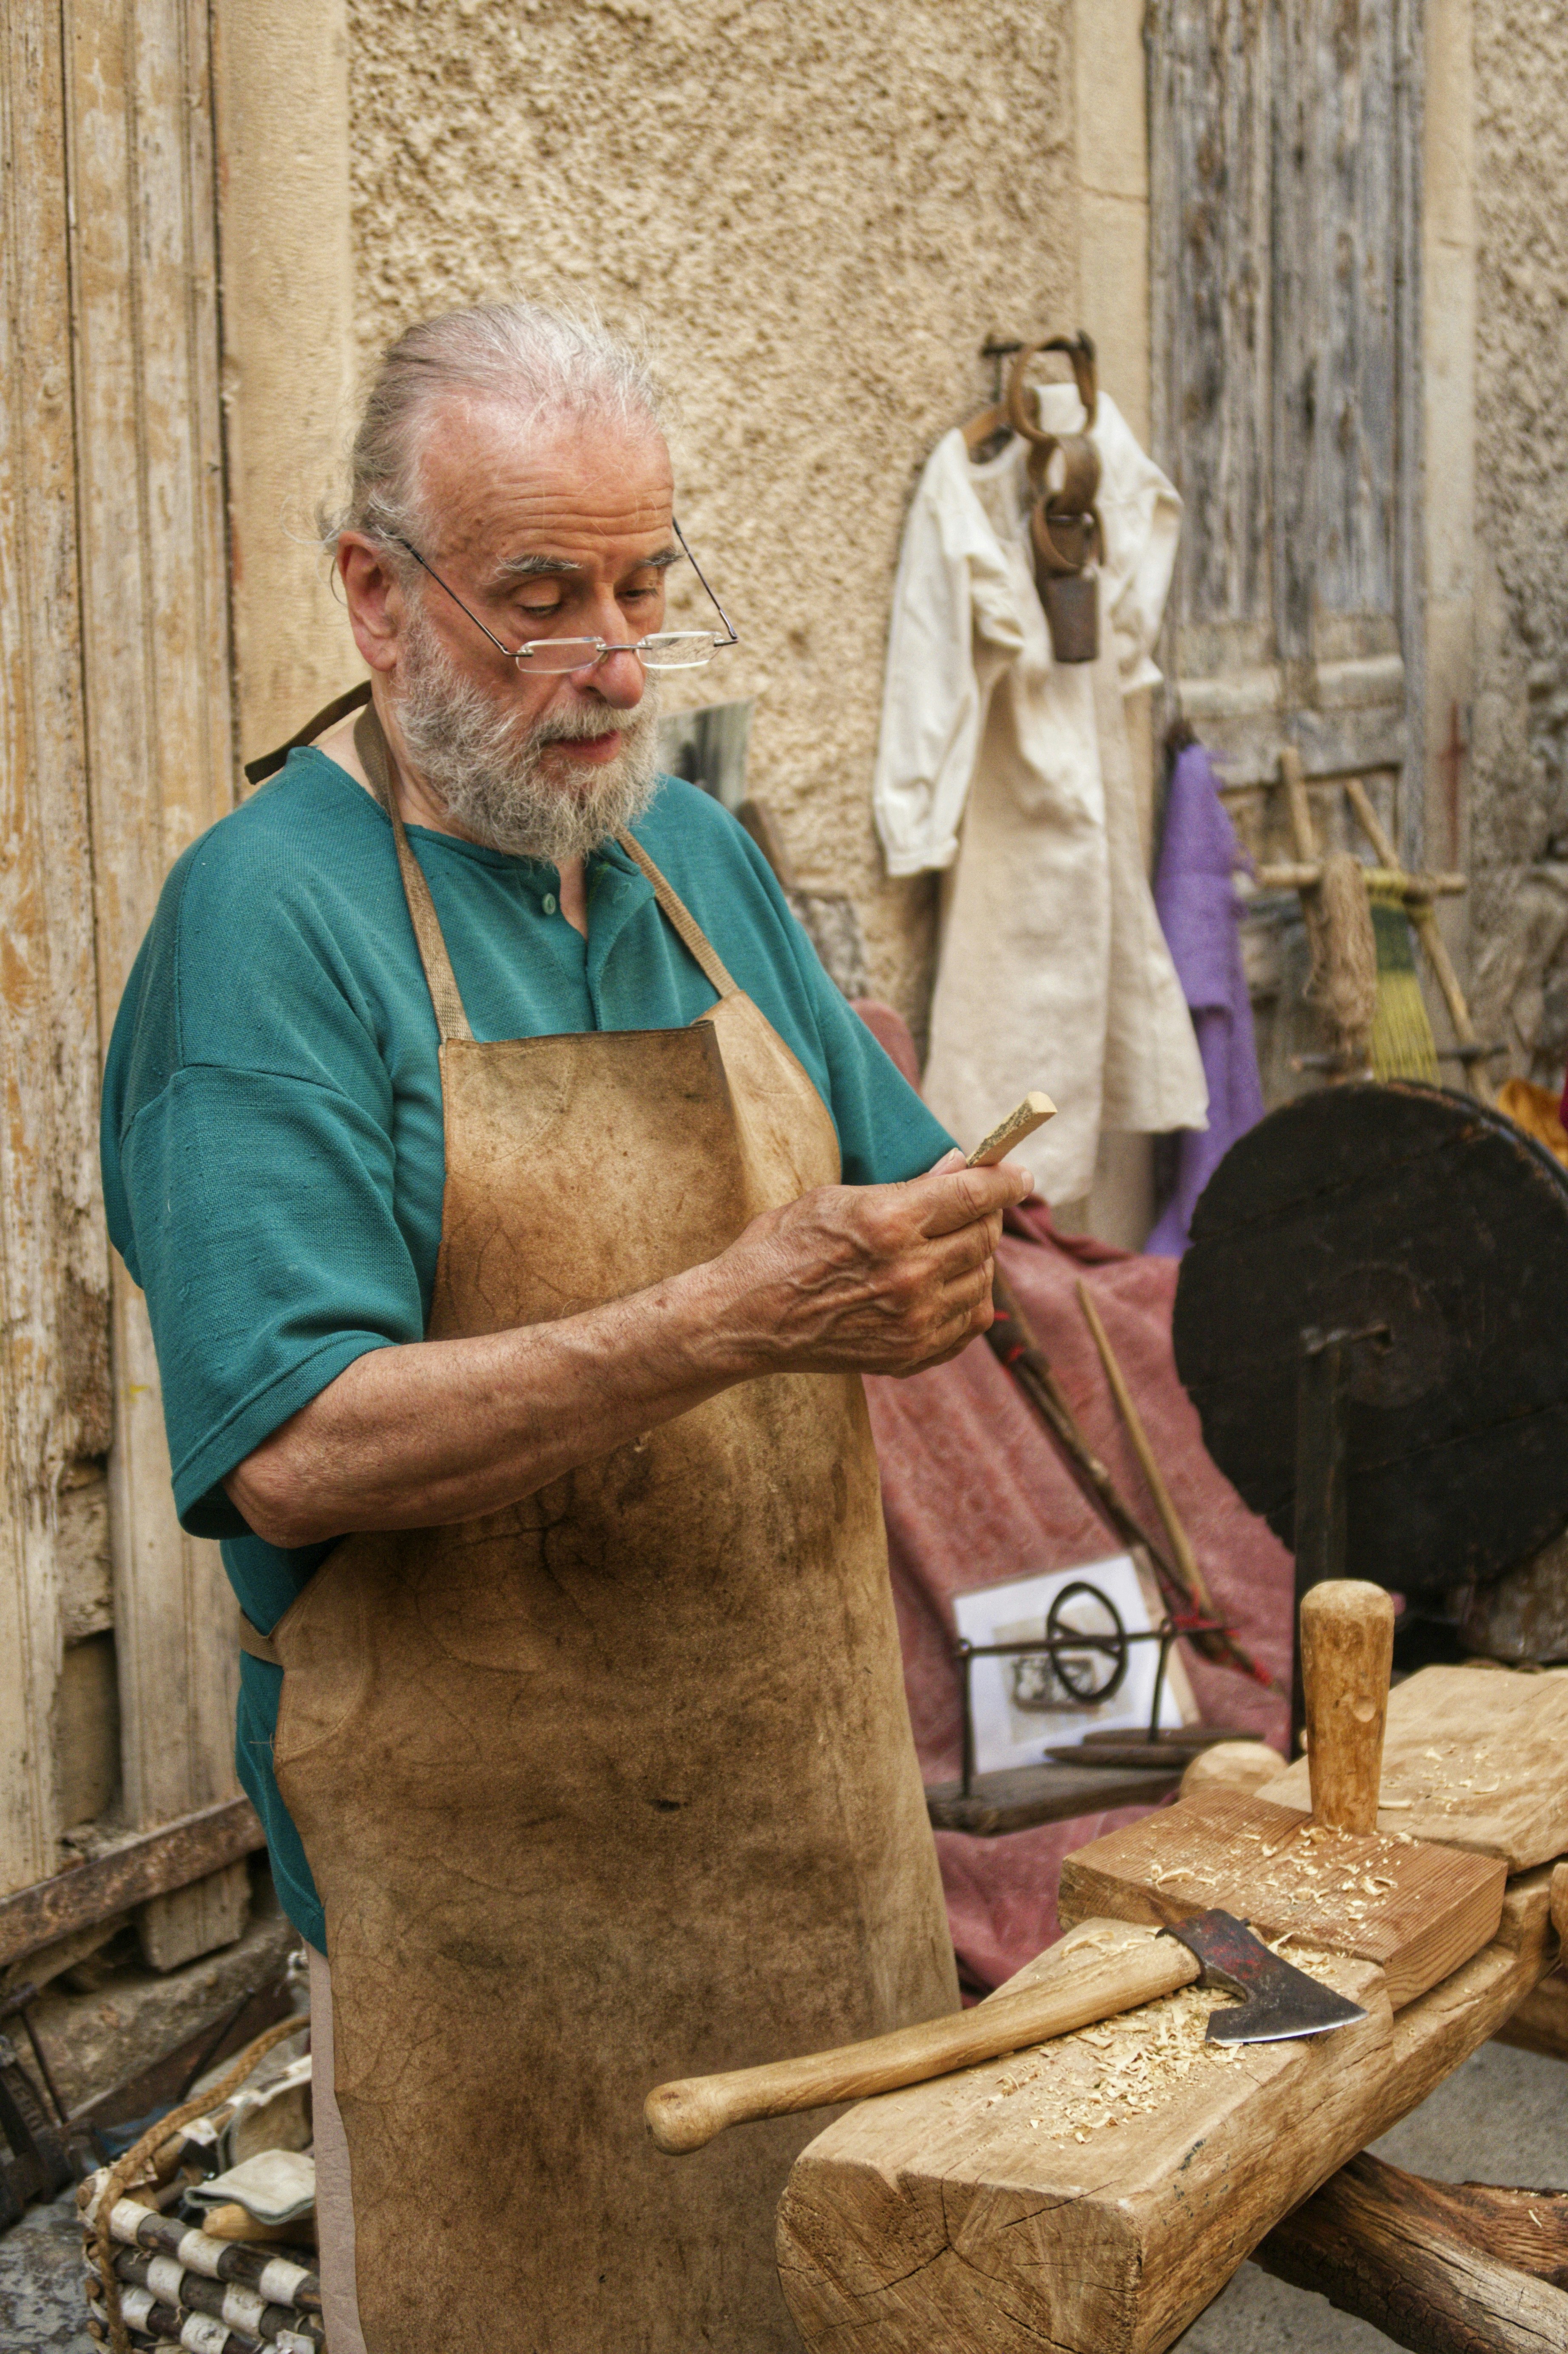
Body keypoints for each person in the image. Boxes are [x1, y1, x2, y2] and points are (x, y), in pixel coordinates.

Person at [101, 301, 1032, 2354]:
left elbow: (893, 1210)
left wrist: (940, 1257)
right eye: (540, 599)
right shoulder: (267, 923)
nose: (615, 660)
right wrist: (721, 1316)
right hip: (484, 1919)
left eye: (643, 582)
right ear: (374, 593)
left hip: (812, 1838)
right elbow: (295, 1443)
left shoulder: (690, 857)